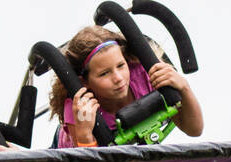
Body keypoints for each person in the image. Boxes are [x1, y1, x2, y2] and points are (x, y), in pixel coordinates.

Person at [49, 25, 204, 148]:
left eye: (121, 65)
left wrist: (184, 87)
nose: (118, 78)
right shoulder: (80, 107)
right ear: (85, 81)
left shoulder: (145, 75)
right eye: (104, 73)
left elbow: (194, 129)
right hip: (68, 161)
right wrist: (84, 134)